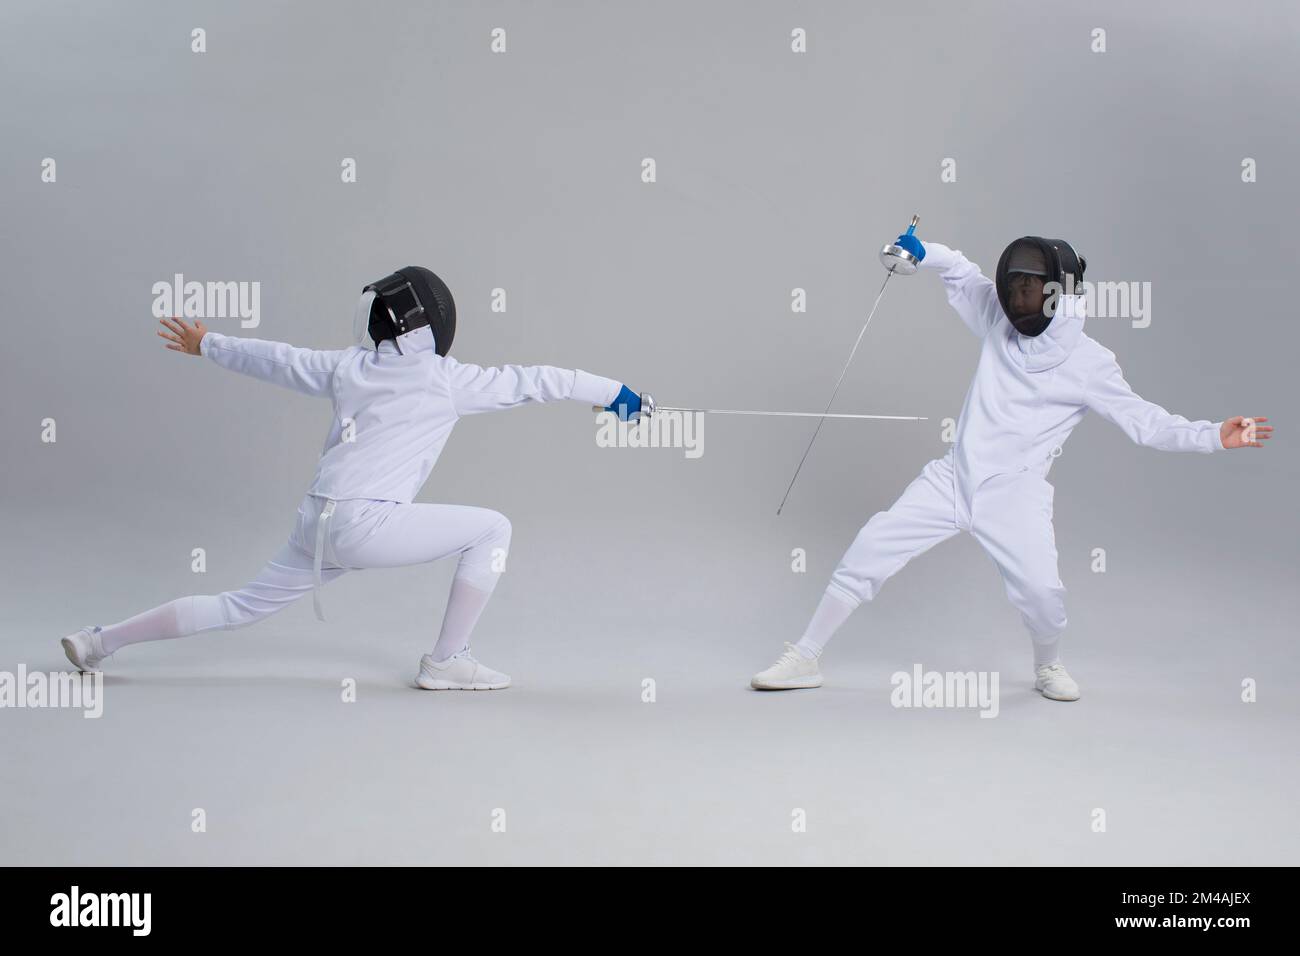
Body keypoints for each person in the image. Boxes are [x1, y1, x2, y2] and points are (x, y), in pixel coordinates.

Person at [61, 266, 645, 691]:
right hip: (368, 523)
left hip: (316, 521)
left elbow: (279, 358)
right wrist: (619, 395)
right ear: (434, 325)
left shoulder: (348, 366)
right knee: (492, 529)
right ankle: (446, 661)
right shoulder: (446, 379)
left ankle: (99, 641)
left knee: (236, 605)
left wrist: (208, 343)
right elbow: (542, 379)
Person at [751, 237, 1271, 700]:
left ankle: (1048, 665)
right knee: (872, 545)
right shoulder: (998, 322)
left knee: (1043, 596)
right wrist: (921, 249)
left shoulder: (1090, 363)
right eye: (1015, 286)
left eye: (1031, 288)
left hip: (1015, 494)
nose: (1019, 297)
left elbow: (1146, 423)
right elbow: (961, 272)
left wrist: (1212, 435)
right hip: (955, 476)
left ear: (1059, 293)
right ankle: (805, 656)